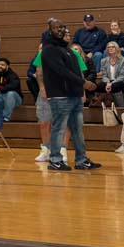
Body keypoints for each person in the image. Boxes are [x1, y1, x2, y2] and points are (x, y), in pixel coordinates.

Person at [39, 18, 100, 171]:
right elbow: (61, 71)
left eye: (62, 27)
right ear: (50, 30)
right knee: (59, 128)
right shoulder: (48, 50)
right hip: (60, 96)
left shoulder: (70, 51)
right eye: (56, 28)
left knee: (78, 129)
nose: (59, 30)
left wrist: (81, 89)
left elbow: (76, 71)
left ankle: (81, 160)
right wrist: (83, 83)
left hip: (74, 96)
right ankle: (55, 159)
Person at [31, 35, 85, 164]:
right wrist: (42, 88)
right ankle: (45, 149)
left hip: (67, 92)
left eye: (67, 35)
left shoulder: (73, 53)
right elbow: (39, 70)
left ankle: (62, 149)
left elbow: (80, 73)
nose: (65, 37)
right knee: (44, 121)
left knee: (65, 123)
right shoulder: (46, 52)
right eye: (62, 35)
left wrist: (81, 91)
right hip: (48, 91)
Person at [0, 58, 22, 128]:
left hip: (14, 99)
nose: (0, 66)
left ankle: (4, 117)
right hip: (0, 97)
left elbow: (13, 86)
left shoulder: (13, 75)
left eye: (2, 65)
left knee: (11, 93)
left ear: (7, 66)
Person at [96, 41, 124, 106]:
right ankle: (101, 106)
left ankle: (120, 107)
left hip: (121, 81)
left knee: (115, 86)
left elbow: (122, 76)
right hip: (108, 81)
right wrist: (108, 83)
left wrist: (111, 84)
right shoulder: (103, 60)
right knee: (100, 86)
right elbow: (104, 75)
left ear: (117, 48)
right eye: (109, 47)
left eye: (113, 47)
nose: (111, 48)